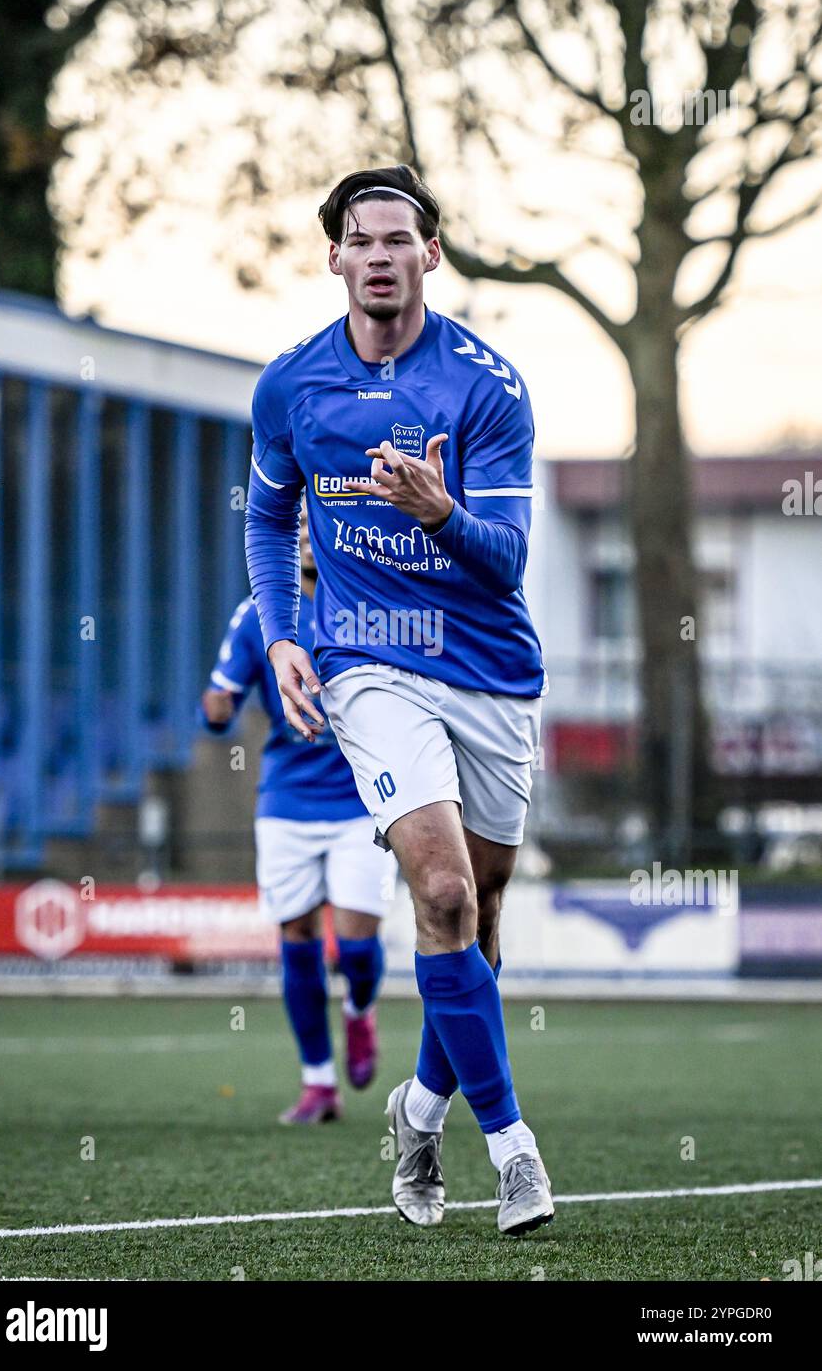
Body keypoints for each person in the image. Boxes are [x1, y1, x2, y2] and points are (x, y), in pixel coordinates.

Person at [244, 164, 553, 1235]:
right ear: (332, 256)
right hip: (365, 662)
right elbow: (265, 519)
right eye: (358, 239)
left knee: (480, 913)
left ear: (430, 253)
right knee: (443, 894)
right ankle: (513, 1153)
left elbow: (506, 563)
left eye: (398, 238)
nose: (378, 255)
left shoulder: (487, 385)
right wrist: (283, 637)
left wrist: (437, 514)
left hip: (490, 668)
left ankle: (419, 1109)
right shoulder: (289, 386)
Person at [200, 510, 397, 1124]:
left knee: (359, 943)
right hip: (285, 800)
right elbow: (218, 701)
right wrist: (217, 706)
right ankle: (318, 1083)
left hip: (363, 798)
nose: (309, 535)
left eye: (320, 523)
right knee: (297, 937)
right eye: (298, 525)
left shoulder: (373, 604)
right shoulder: (258, 615)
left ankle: (360, 1012)